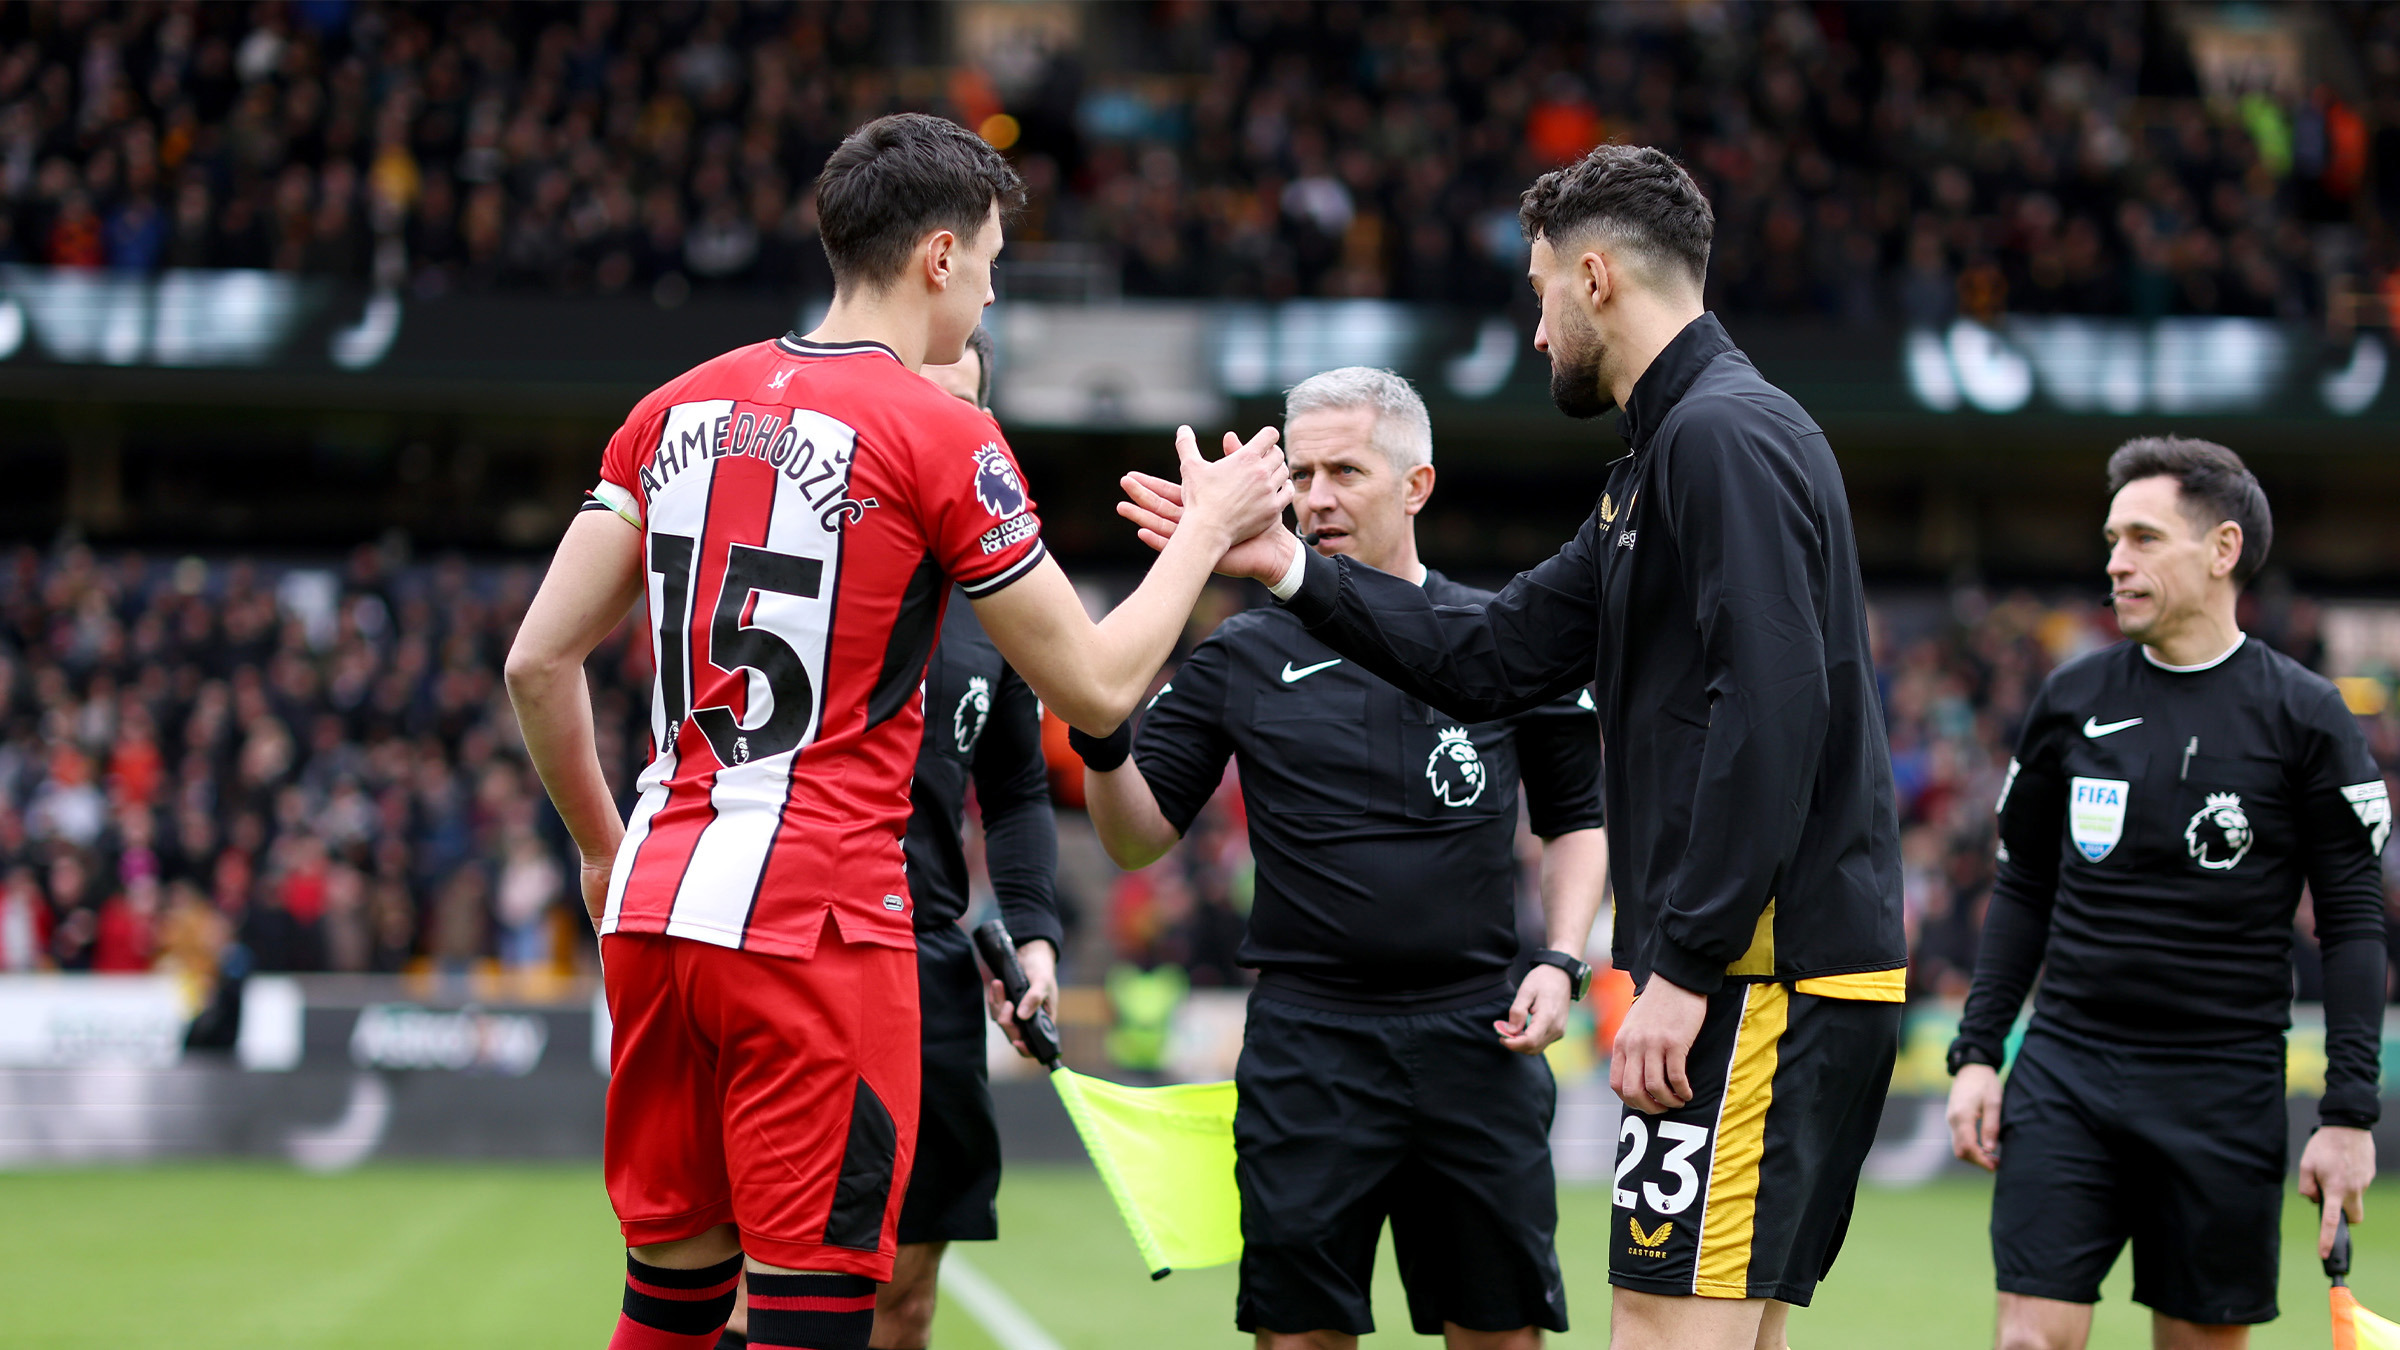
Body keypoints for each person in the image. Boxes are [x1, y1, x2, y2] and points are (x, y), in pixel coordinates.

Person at [505, 112, 1291, 1350]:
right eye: (987, 261)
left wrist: (605, 850)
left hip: (659, 910)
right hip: (816, 928)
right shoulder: (937, 430)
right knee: (818, 1313)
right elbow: (1093, 690)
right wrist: (1207, 530)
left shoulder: (671, 409)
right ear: (937, 257)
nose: (988, 290)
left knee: (669, 1301)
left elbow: (538, 661)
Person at [1120, 144, 1905, 1350]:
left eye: (1539, 295)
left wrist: (1681, 970)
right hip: (1751, 971)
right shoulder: (1658, 462)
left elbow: (1776, 704)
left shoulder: (1720, 439)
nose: (1537, 335)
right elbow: (1486, 661)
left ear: (1593, 277)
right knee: (1712, 1326)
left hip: (1756, 972)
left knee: (1659, 1324)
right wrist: (1279, 565)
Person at [1075, 366, 1611, 1350]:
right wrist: (1100, 736)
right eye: (1302, 473)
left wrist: (1562, 955)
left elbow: (1577, 815)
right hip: (1310, 1043)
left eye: (1346, 472)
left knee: (1498, 1335)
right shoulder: (1241, 652)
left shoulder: (1499, 638)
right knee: (1300, 1339)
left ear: (1416, 485)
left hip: (1479, 1037)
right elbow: (1134, 834)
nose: (1316, 497)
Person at [1944, 437, 2389, 1350]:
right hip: (2068, 1068)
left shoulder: (2307, 715)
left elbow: (2350, 925)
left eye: (2143, 538)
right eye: (2112, 539)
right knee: (2027, 1340)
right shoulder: (2072, 698)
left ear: (2222, 550)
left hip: (2224, 1084)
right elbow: (2023, 882)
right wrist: (1979, 1052)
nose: (2115, 562)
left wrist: (2348, 1112)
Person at [716, 326, 1061, 1350]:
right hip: (790, 947)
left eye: (960, 412)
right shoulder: (798, 570)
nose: (934, 429)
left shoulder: (1002, 601)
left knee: (905, 1296)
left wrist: (1033, 931)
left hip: (928, 966)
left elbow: (1016, 783)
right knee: (759, 1288)